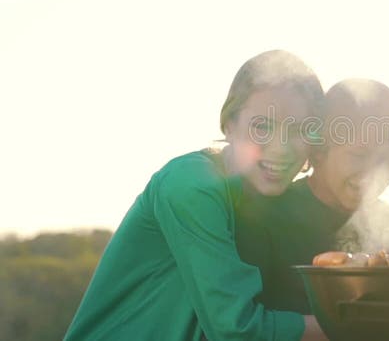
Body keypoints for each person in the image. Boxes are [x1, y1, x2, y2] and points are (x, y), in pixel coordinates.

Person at [65, 50, 328, 341]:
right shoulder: (191, 185)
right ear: (229, 124)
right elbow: (236, 329)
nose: (280, 148)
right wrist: (352, 327)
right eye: (263, 126)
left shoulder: (264, 203)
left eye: (298, 130)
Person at [235, 78, 389, 314]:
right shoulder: (265, 217)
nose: (374, 173)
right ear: (318, 151)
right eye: (360, 154)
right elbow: (238, 322)